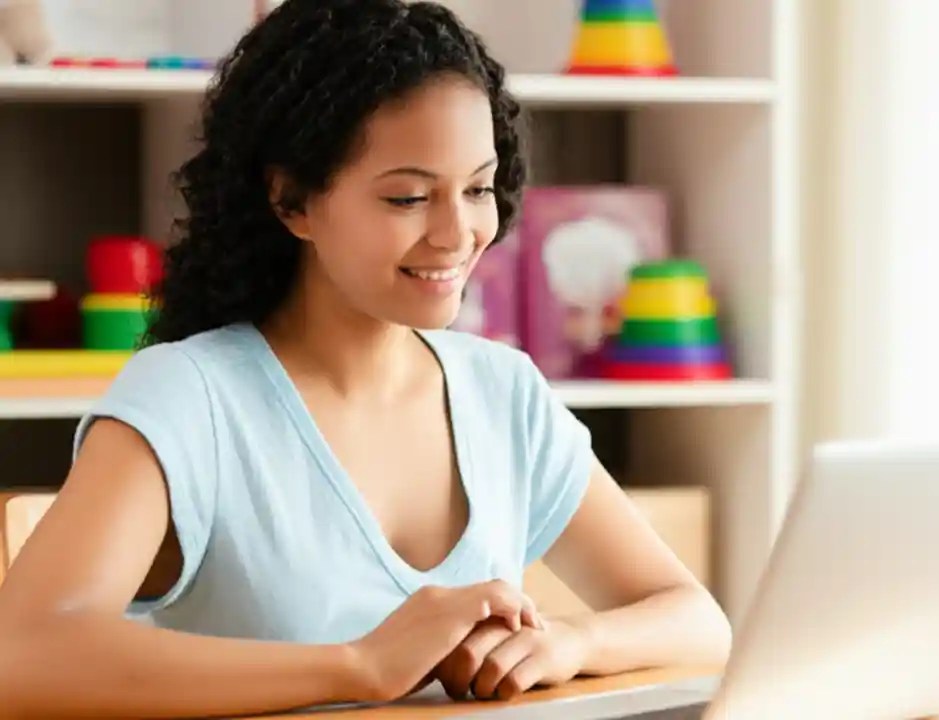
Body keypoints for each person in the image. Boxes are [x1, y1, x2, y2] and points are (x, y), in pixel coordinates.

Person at [0, 1, 731, 717]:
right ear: (292, 200)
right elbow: (23, 657)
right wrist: (357, 666)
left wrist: (576, 640)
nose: (459, 234)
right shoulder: (191, 398)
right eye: (409, 197)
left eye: (477, 189)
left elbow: (695, 619)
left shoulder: (500, 393)